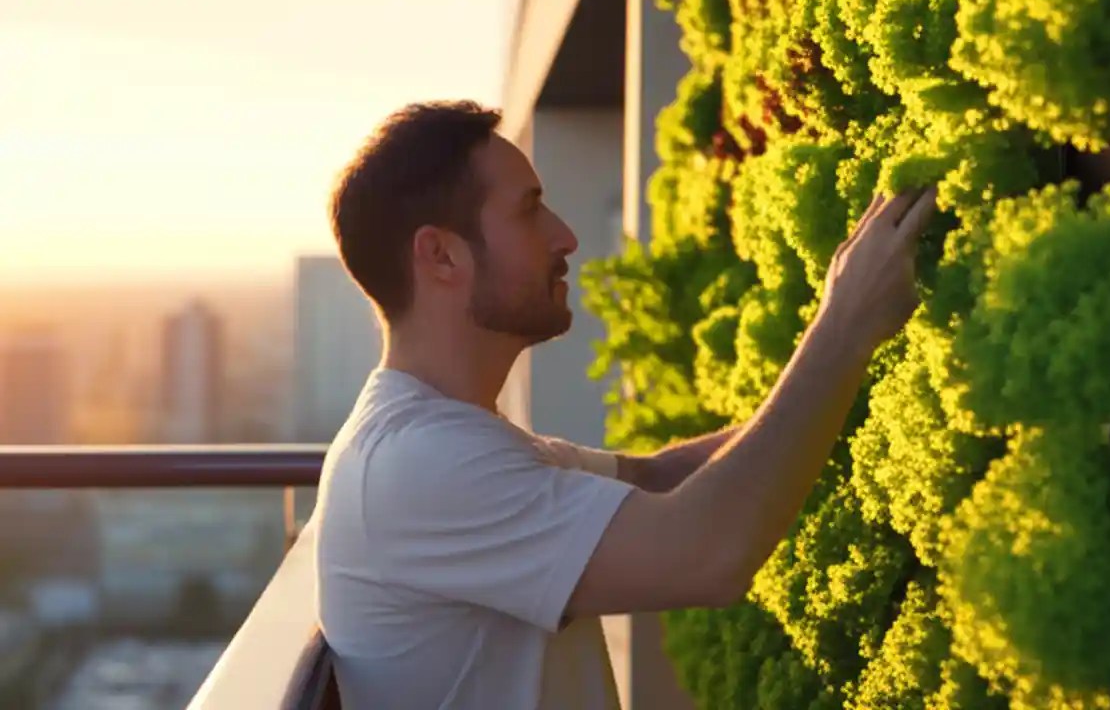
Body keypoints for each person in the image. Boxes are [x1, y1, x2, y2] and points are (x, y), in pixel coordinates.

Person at [313, 100, 937, 710]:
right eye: (530, 212)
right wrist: (844, 324)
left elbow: (655, 475)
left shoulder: (446, 435)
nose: (567, 236)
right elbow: (707, 553)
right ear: (442, 255)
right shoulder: (420, 463)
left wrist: (849, 385)